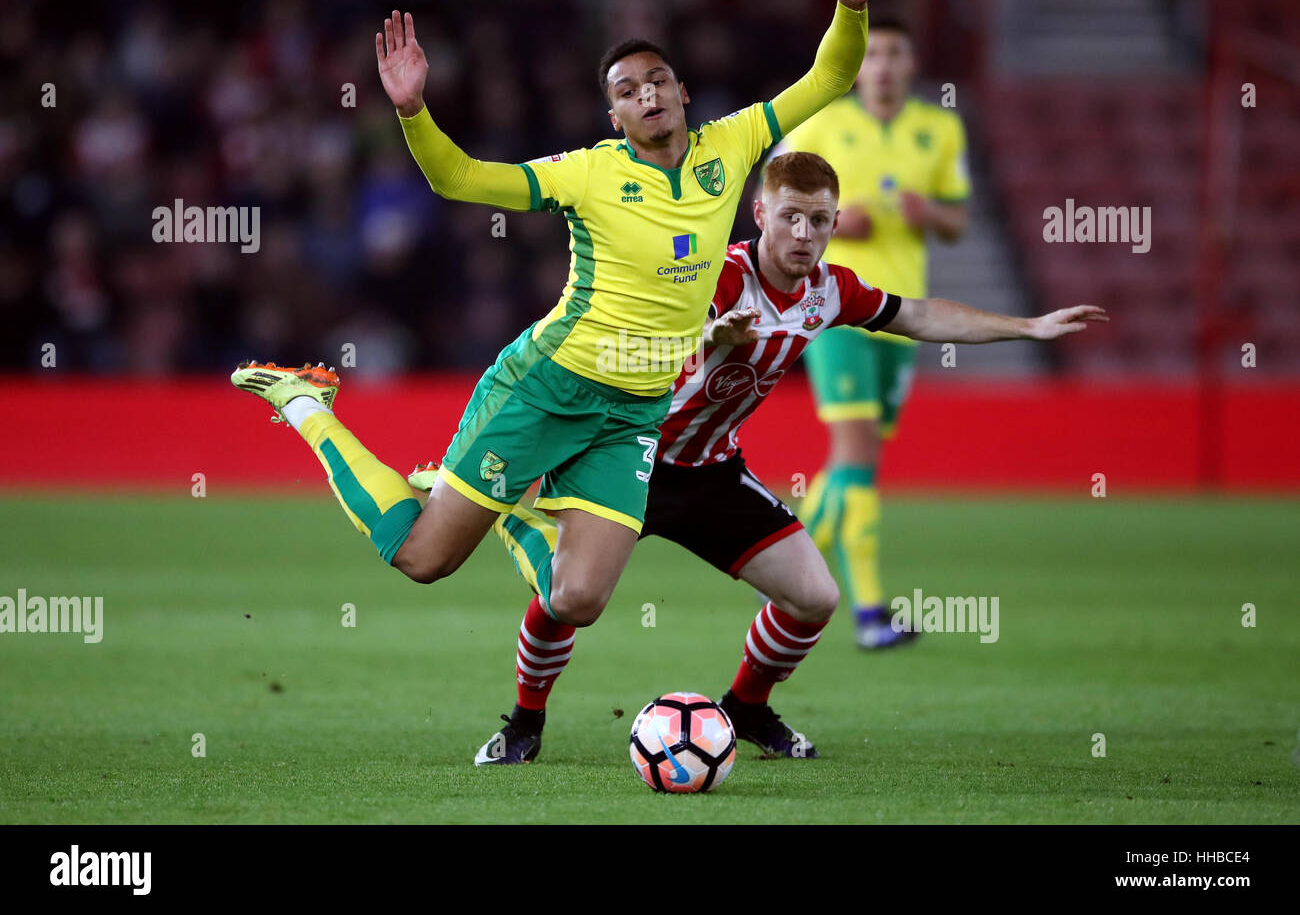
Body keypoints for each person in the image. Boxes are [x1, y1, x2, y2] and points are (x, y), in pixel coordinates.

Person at [231, 0, 906, 640]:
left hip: (636, 412)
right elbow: (457, 178)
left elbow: (828, 79)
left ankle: (517, 512)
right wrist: (412, 110)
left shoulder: (731, 146)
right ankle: (308, 403)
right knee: (423, 558)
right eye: (626, 90)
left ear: (682, 92)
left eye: (657, 80)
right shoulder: (586, 173)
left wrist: (850, 3)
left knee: (577, 601)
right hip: (550, 386)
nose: (646, 93)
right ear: (612, 118)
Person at [425, 151, 1104, 764]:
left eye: (819, 220)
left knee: (815, 598)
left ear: (836, 222)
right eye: (790, 218)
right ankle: (525, 722)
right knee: (569, 600)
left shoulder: (829, 292)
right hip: (626, 456)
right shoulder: (714, 275)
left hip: (712, 471)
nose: (804, 235)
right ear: (760, 216)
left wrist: (1028, 327)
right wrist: (711, 336)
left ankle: (746, 708)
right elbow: (655, 335)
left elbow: (920, 315)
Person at [774, 18, 972, 648]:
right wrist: (829, 223)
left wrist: (929, 213)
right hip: (834, 309)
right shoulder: (821, 126)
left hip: (901, 315)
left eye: (895, 53)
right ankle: (868, 613)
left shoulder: (938, 129)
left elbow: (958, 223)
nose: (883, 65)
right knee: (858, 456)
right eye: (874, 54)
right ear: (859, 66)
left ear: (911, 65)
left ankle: (780, 564)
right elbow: (771, 200)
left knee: (853, 462)